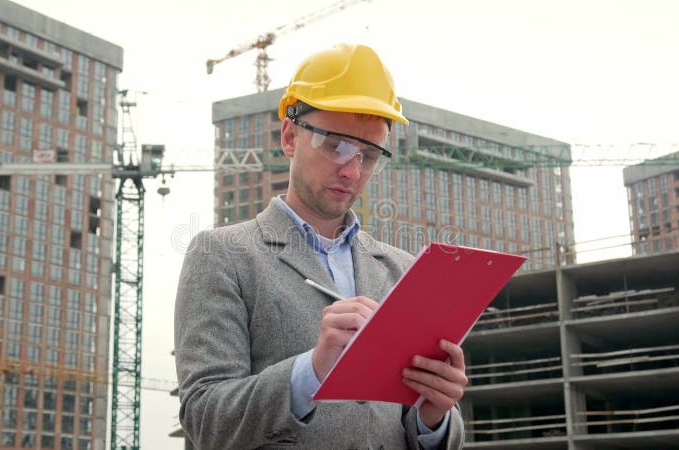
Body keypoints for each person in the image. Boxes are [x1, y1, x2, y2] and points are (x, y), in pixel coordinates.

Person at [174, 43, 467, 450]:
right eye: (337, 145)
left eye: (369, 154)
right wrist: (311, 370)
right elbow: (204, 420)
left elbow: (422, 431)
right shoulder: (223, 254)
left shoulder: (402, 270)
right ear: (291, 136)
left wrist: (434, 416)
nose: (353, 170)